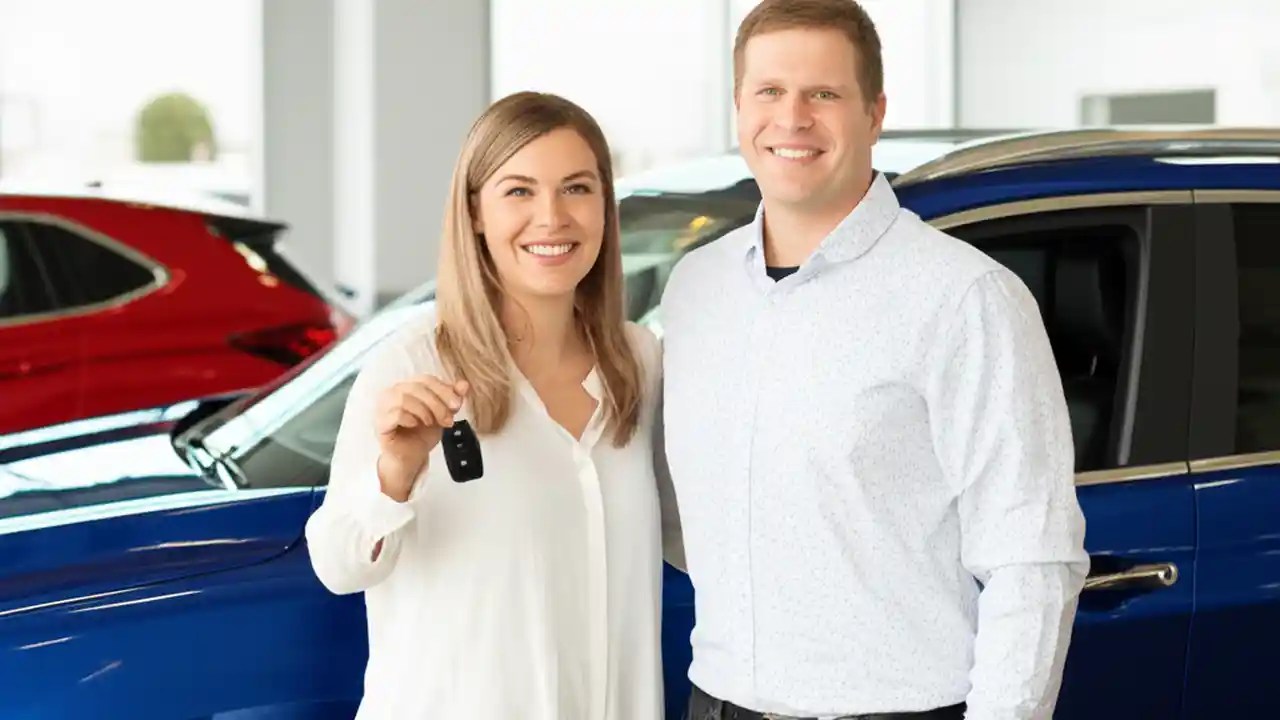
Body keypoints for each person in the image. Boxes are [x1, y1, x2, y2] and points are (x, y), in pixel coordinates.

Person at [657, 1, 1090, 718]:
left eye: (823, 93)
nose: (792, 117)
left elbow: (1033, 560)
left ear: (875, 112)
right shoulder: (695, 290)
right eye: (769, 91)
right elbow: (689, 515)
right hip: (718, 702)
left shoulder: (966, 297)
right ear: (739, 106)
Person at [305, 91, 667, 720]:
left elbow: (700, 534)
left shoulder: (639, 363)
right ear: (475, 212)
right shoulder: (415, 362)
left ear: (605, 207)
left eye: (577, 189)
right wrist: (394, 475)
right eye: (519, 191)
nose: (552, 218)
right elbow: (337, 565)